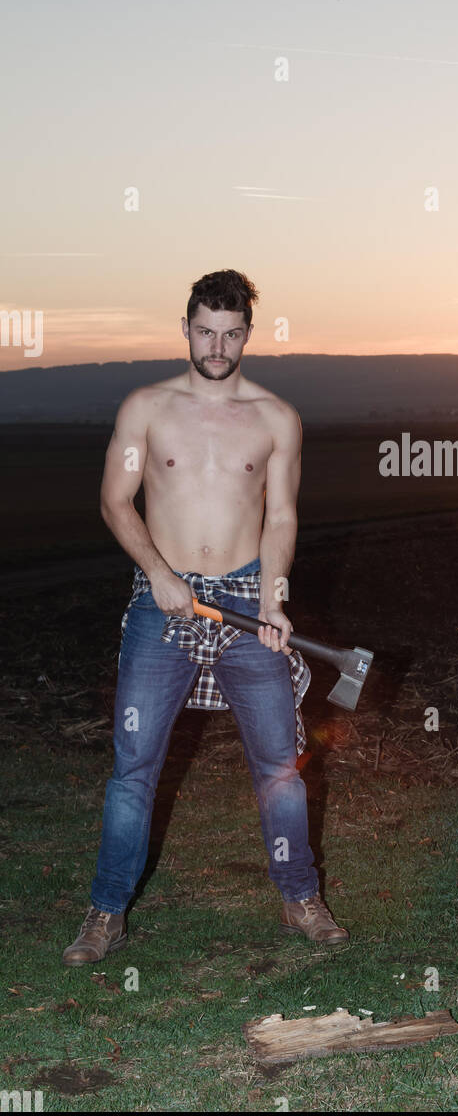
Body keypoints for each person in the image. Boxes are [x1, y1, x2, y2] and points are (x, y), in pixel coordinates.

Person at [63, 269, 348, 965]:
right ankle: (106, 913)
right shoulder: (146, 408)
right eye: (204, 331)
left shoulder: (278, 418)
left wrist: (275, 599)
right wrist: (158, 574)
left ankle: (299, 897)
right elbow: (114, 501)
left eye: (231, 333)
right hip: (162, 604)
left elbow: (281, 516)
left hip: (248, 600)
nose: (217, 345)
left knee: (281, 764)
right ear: (184, 328)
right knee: (135, 767)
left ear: (248, 333)